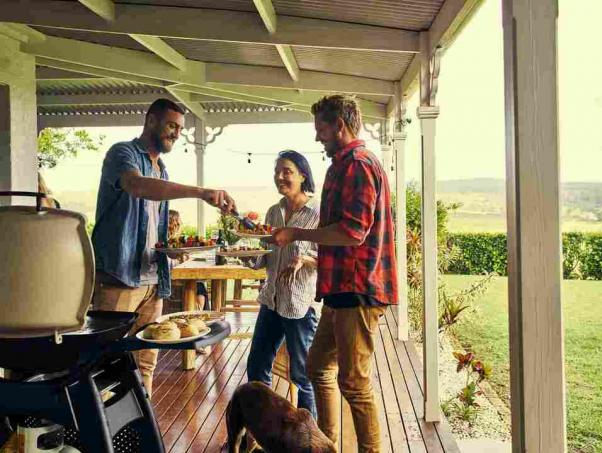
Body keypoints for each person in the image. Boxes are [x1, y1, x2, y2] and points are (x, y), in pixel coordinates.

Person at [268, 95, 398, 453]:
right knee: (317, 367)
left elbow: (352, 232)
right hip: (340, 288)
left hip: (359, 288)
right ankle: (327, 446)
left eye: (321, 129)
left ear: (339, 125)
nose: (317, 138)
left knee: (354, 383)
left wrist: (296, 233)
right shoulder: (342, 164)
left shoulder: (358, 164)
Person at [91, 98, 236, 396]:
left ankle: (139, 433)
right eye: (172, 126)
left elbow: (154, 229)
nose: (176, 134)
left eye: (180, 129)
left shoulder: (163, 169)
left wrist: (169, 251)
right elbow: (137, 186)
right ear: (151, 121)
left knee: (145, 363)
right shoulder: (123, 153)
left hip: (152, 281)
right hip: (118, 279)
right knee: (107, 365)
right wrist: (200, 192)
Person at [246, 150, 321, 419]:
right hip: (271, 300)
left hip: (300, 305)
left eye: (286, 171)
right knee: (256, 369)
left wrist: (305, 259)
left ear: (303, 175)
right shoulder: (273, 211)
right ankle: (261, 429)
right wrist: (246, 255)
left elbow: (330, 257)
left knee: (303, 375)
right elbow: (266, 255)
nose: (280, 177)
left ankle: (307, 439)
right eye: (277, 171)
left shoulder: (316, 212)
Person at [167, 209, 209, 310]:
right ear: (174, 223)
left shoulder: (174, 241)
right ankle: (198, 313)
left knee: (199, 283)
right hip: (173, 279)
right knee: (199, 285)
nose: (179, 224)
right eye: (177, 221)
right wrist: (182, 259)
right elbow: (172, 263)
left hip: (176, 277)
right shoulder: (168, 243)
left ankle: (198, 312)